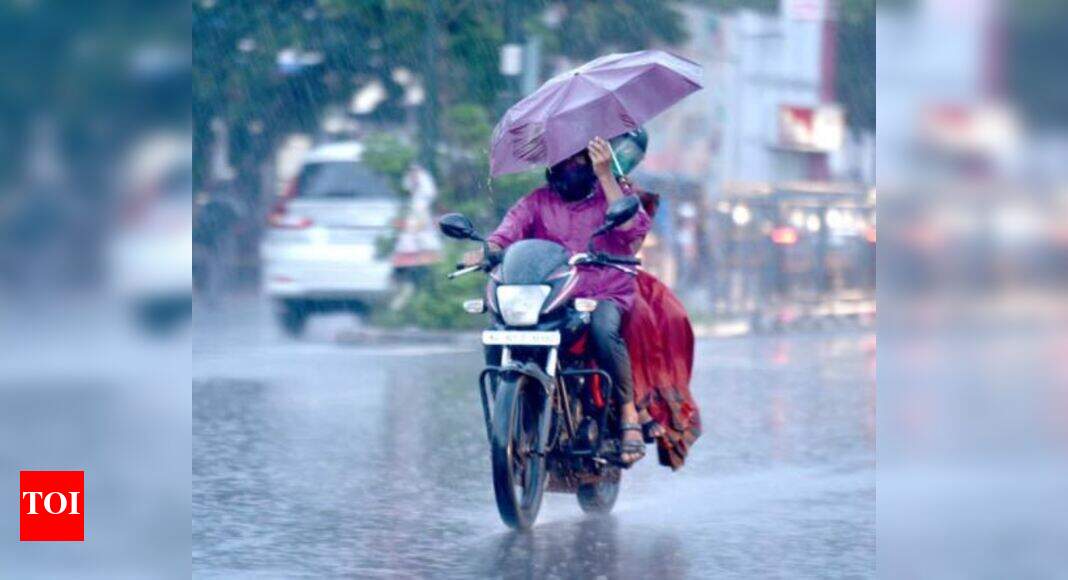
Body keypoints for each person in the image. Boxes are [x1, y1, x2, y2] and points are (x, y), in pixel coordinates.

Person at [463, 137, 651, 464]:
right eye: (559, 160)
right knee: (498, 331)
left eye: (576, 160)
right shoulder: (536, 201)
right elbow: (506, 234)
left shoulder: (615, 193)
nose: (566, 167)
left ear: (591, 160)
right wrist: (486, 251)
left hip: (602, 290)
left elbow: (632, 231)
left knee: (604, 333)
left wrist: (606, 175)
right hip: (551, 295)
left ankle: (627, 414)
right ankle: (511, 421)